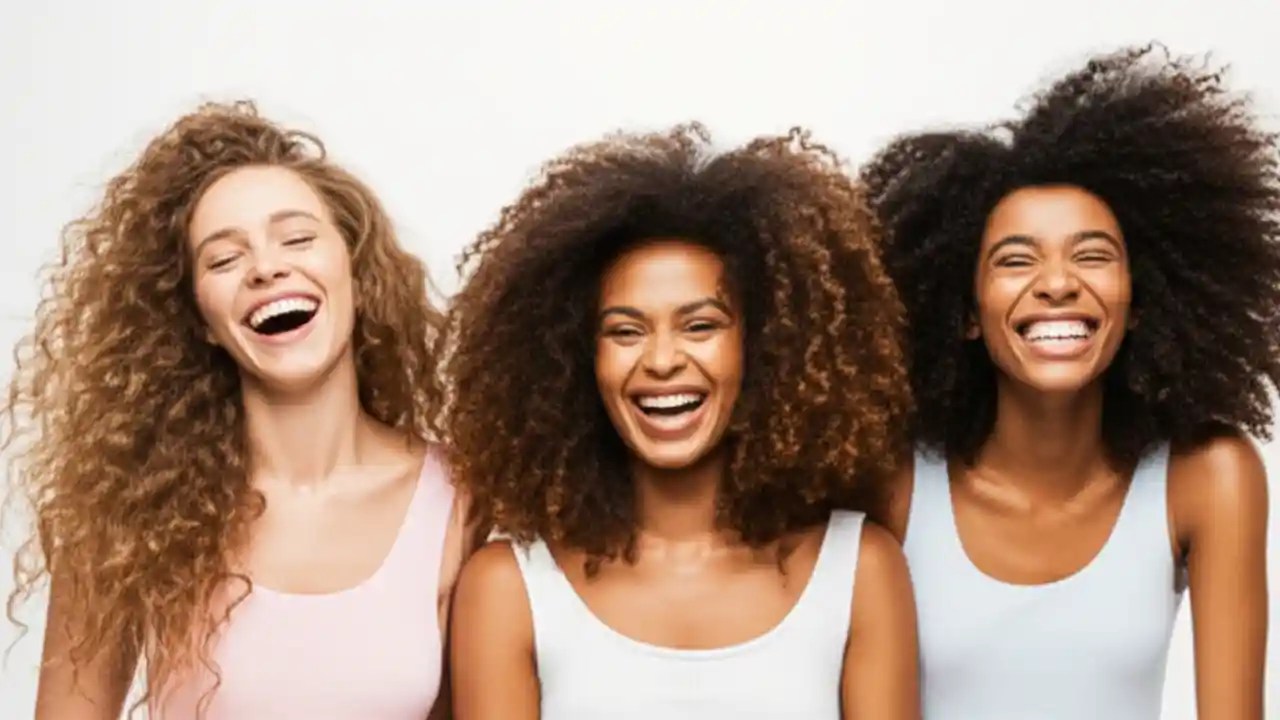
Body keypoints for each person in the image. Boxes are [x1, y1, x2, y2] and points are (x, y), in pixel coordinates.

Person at [4, 101, 471, 719]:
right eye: (225, 259)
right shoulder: (127, 514)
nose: (267, 267)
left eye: (298, 238)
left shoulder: (461, 500)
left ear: (356, 275)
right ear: (200, 321)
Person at [443, 125, 920, 719]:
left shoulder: (861, 572)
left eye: (700, 326)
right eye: (625, 331)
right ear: (575, 359)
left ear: (766, 346)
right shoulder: (509, 586)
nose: (663, 360)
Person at [861, 45, 1277, 719]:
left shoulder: (1207, 478)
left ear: (1139, 301)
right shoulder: (894, 479)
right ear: (965, 312)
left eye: (1092, 255)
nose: (1057, 284)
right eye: (1016, 260)